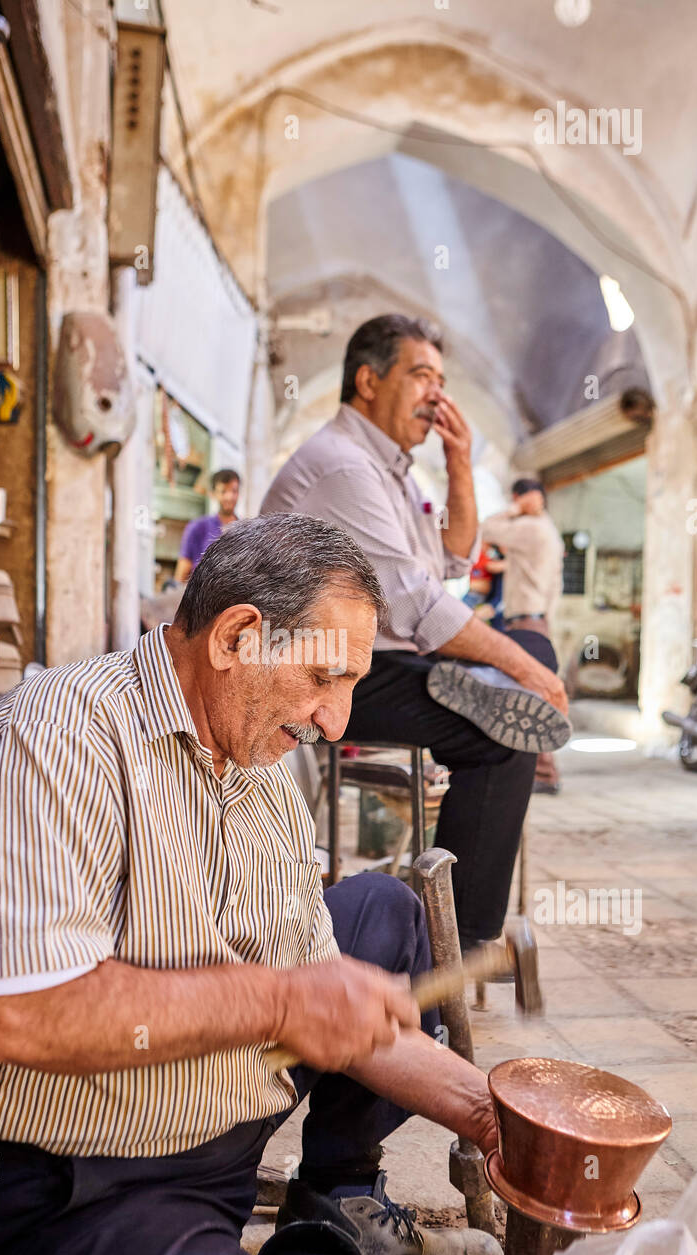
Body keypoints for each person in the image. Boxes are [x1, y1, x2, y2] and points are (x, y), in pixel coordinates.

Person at [0, 514, 502, 1255]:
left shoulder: (260, 764)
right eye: (324, 679)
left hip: (216, 1146)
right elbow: (18, 1011)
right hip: (70, 1186)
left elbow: (337, 1011)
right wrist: (284, 1000)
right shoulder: (53, 740)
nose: (336, 722)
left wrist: (490, 1117)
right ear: (237, 638)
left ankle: (336, 1204)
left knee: (377, 914)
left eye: (351, 686)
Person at [260, 315, 569, 951]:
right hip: (325, 673)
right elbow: (415, 604)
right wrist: (522, 671)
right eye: (421, 375)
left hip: (378, 663)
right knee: (503, 731)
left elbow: (451, 561)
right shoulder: (346, 468)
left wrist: (459, 463)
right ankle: (451, 946)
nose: (436, 392)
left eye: (442, 379)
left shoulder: (393, 472)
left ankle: (452, 931)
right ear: (369, 380)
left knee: (521, 674)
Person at [482, 478, 565, 793]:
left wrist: (514, 509)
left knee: (529, 696)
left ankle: (543, 773)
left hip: (526, 623)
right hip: (539, 621)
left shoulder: (530, 528)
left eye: (516, 499)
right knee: (537, 692)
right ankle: (544, 772)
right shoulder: (548, 530)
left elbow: (485, 529)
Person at [174, 467, 240, 582]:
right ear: (212, 494)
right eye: (223, 491)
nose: (229, 497)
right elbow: (181, 576)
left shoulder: (246, 532)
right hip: (201, 596)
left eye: (234, 491)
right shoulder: (197, 528)